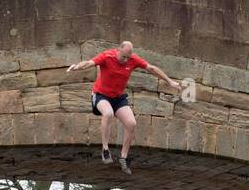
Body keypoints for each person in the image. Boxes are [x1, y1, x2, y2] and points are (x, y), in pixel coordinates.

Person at [66, 41, 181, 175]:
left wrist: (170, 81)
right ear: (118, 51)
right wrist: (76, 67)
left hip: (118, 98)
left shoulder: (133, 60)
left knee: (131, 123)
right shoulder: (107, 56)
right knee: (108, 113)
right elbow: (89, 63)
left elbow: (152, 69)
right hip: (101, 95)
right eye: (124, 57)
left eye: (128, 57)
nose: (126, 60)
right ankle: (105, 149)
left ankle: (124, 157)